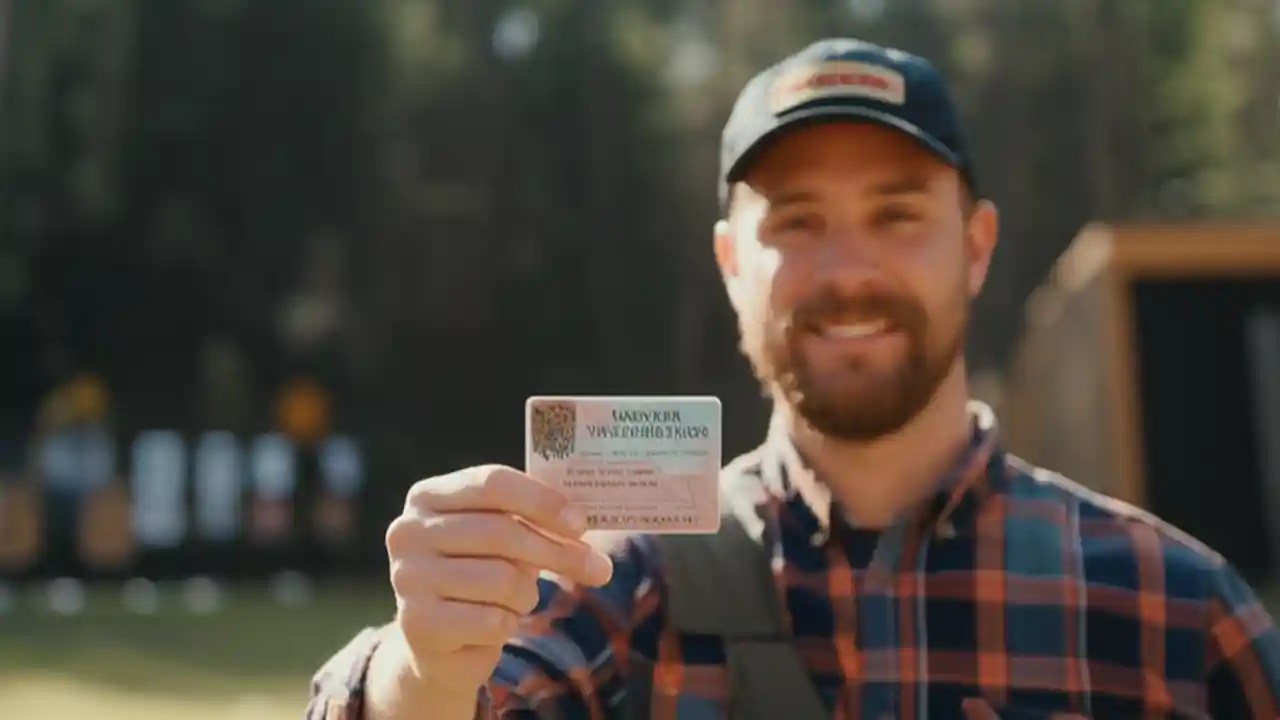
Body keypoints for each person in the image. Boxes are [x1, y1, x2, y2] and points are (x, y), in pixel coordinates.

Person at [306, 38, 1280, 719]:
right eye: (797, 221)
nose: (847, 269)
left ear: (975, 245)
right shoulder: (617, 580)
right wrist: (422, 670)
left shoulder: (1174, 610)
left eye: (895, 214)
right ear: (732, 264)